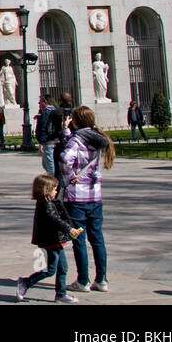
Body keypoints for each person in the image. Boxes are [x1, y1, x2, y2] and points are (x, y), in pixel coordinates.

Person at [59, 106, 115, 293]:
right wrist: (66, 131)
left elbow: (65, 158)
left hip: (77, 198)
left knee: (79, 240)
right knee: (97, 238)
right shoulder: (98, 139)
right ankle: (102, 279)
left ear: (76, 120)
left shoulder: (76, 140)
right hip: (95, 196)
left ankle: (83, 280)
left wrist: (69, 177)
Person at [17, 174, 82, 303]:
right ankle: (25, 282)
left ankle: (61, 294)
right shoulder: (46, 205)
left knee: (63, 268)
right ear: (46, 191)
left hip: (56, 240)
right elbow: (55, 219)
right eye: (54, 189)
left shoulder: (49, 202)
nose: (56, 192)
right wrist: (69, 229)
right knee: (50, 270)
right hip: (50, 241)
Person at [37, 95, 58, 175]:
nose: (39, 103)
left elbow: (44, 127)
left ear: (45, 102)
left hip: (48, 141)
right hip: (52, 140)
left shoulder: (46, 112)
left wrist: (42, 143)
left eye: (40, 101)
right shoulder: (54, 110)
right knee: (47, 164)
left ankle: (53, 182)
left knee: (49, 165)